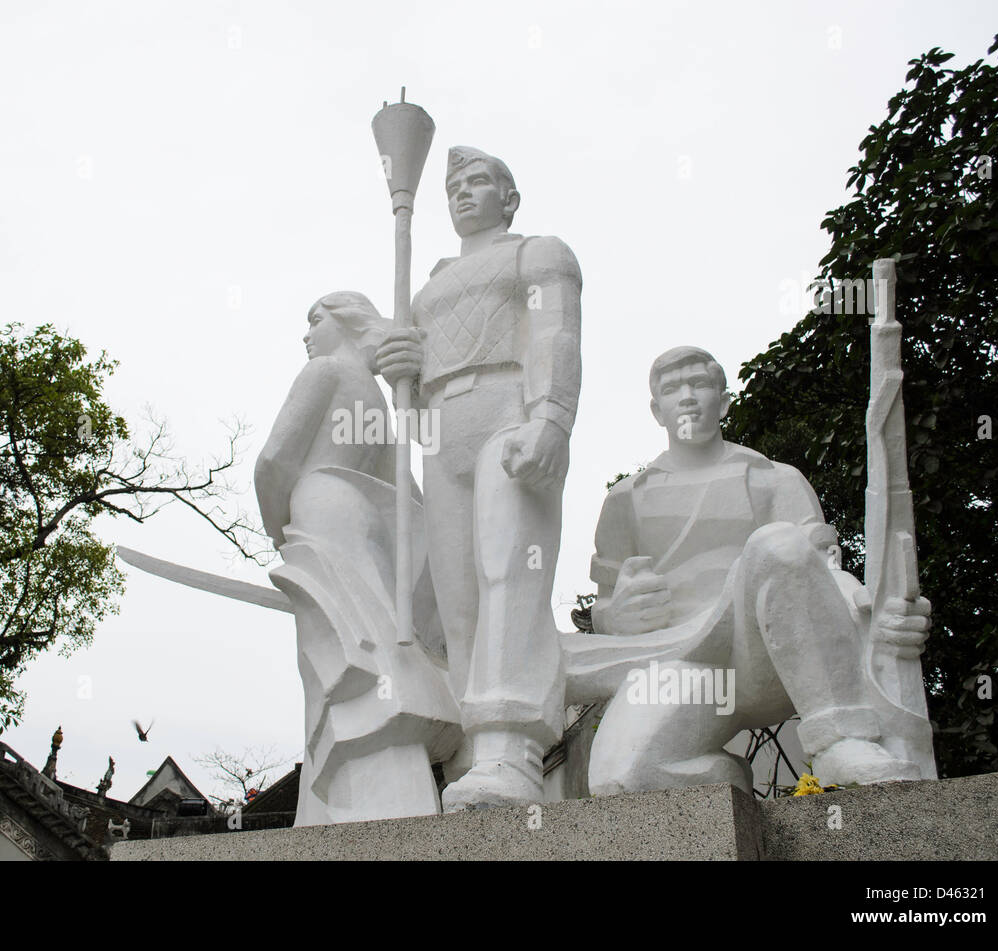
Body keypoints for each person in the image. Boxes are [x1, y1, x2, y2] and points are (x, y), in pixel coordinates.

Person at [566, 346, 932, 795]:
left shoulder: (775, 480)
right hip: (678, 662)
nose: (686, 397)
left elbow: (823, 574)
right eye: (672, 389)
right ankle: (727, 782)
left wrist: (873, 610)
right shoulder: (626, 500)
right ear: (656, 410)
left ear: (723, 401)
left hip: (761, 654)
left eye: (698, 384)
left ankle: (840, 739)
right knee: (624, 780)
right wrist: (614, 615)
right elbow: (602, 610)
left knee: (777, 543)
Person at [375, 147, 583, 810]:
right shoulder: (428, 287)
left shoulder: (539, 253)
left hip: (508, 406)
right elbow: (409, 405)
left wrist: (551, 417)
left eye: (479, 182)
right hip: (442, 425)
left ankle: (513, 742)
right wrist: (400, 367)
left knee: (507, 572)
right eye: (453, 186)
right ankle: (475, 745)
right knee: (458, 597)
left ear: (510, 196)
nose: (463, 193)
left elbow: (555, 335)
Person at [255, 292, 459, 825]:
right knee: (364, 638)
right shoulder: (375, 398)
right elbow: (407, 496)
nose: (307, 334)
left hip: (320, 510)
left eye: (315, 319)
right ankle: (341, 800)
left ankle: (342, 799)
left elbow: (275, 459)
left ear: (345, 324)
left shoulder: (324, 372)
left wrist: (277, 527)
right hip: (364, 524)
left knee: (334, 649)